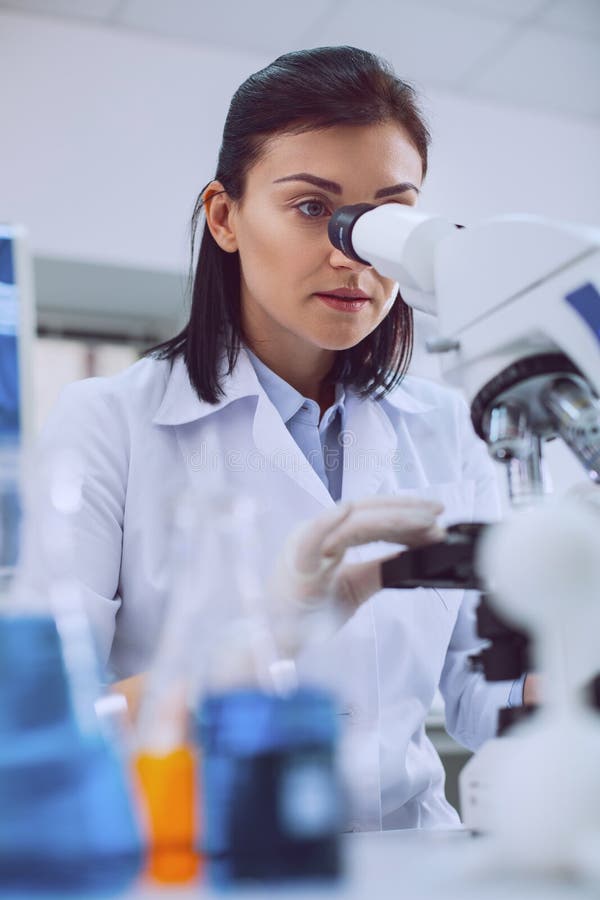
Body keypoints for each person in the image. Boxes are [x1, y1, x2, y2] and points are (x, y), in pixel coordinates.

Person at [29, 46, 527, 831]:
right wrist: (242, 660)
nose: (352, 252)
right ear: (224, 216)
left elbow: (481, 698)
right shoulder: (109, 424)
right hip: (208, 863)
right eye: (309, 207)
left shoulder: (449, 428)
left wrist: (567, 666)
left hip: (417, 861)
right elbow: (43, 731)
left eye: (386, 217)